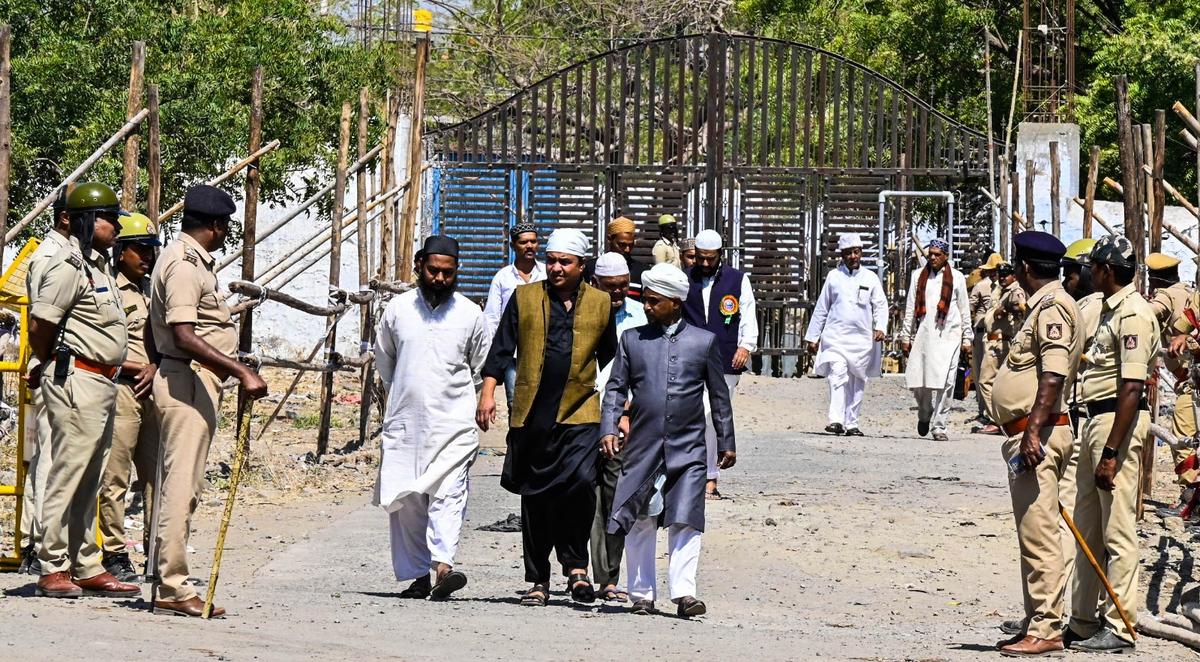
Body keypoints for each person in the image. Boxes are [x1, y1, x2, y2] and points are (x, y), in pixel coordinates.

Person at [476, 228, 617, 608]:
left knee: (582, 484)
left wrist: (619, 409)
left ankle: (575, 568)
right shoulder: (524, 298)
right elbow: (501, 348)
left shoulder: (602, 304)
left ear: (580, 265)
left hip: (582, 410)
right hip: (533, 412)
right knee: (536, 495)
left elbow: (611, 360)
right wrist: (488, 392)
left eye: (563, 262)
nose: (555, 268)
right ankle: (538, 578)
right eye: (551, 260)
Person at [145, 185, 268, 618]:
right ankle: (173, 588)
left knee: (186, 485)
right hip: (185, 383)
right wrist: (240, 371)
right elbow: (182, 333)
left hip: (190, 379)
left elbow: (153, 326)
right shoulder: (183, 266)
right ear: (216, 226)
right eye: (226, 226)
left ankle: (169, 581)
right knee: (180, 488)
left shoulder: (188, 260)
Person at [600, 263, 735, 618]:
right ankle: (641, 594)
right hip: (643, 447)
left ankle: (684, 594)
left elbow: (719, 397)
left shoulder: (703, 342)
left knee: (686, 517)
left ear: (675, 302)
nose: (646, 306)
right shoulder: (632, 340)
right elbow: (615, 389)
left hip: (689, 447)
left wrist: (726, 441)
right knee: (640, 516)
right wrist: (609, 428)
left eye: (654, 301)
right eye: (645, 300)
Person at [28, 182, 138, 599]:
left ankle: (85, 562)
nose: (114, 225)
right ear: (76, 220)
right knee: (67, 473)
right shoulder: (64, 263)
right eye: (107, 217)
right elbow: (42, 325)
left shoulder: (93, 262)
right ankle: (52, 565)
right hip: (76, 377)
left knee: (90, 475)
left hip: (102, 381)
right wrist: (48, 360)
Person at [374, 235, 488, 601]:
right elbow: (385, 361)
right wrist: (410, 390)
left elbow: (480, 364)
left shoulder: (471, 313)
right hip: (406, 422)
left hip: (453, 422)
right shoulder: (397, 309)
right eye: (434, 270)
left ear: (457, 273)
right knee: (407, 501)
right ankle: (417, 575)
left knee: (449, 494)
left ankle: (443, 566)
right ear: (420, 265)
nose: (440, 278)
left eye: (448, 273)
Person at [987, 232, 1081, 657]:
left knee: (1040, 535)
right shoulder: (1046, 305)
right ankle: (1036, 619)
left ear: (1025, 266)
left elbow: (1053, 375)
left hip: (1038, 434)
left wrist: (1031, 432)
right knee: (1034, 532)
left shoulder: (1053, 307)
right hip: (1034, 432)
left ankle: (1046, 628)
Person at [1067, 235, 1158, 653]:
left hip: (1115, 425)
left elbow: (1132, 387)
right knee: (1088, 525)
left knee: (1117, 531)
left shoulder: (1134, 314)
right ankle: (1084, 619)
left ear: (1106, 270)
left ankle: (1121, 625)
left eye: (1095, 268)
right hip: (1096, 420)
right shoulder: (1108, 309)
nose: (1090, 274)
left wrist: (1111, 453)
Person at [97, 212, 161, 582]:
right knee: (116, 477)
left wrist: (157, 367)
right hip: (122, 389)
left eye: (151, 249)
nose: (147, 256)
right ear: (121, 251)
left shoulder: (151, 289)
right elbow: (102, 345)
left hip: (153, 392)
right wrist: (140, 367)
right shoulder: (108, 290)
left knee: (156, 476)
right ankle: (115, 553)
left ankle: (156, 550)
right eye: (140, 249)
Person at [17, 187, 73, 576]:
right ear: (67, 218)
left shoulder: (73, 257)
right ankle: (40, 546)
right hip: (58, 368)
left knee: (54, 459)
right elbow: (42, 322)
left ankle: (45, 542)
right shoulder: (53, 257)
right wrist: (47, 359)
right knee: (50, 460)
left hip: (64, 369)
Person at [589, 252, 647, 602]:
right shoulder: (581, 314)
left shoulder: (640, 317)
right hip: (581, 416)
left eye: (624, 286)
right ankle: (578, 569)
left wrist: (628, 412)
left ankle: (608, 577)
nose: (619, 293)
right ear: (595, 283)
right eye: (611, 287)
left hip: (623, 418)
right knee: (584, 496)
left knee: (613, 495)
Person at [803, 233, 887, 436]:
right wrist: (813, 337)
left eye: (856, 252)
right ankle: (836, 420)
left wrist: (881, 327)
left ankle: (852, 423)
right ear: (842, 255)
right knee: (837, 374)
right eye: (848, 253)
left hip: (861, 340)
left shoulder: (870, 278)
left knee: (858, 380)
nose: (853, 256)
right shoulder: (834, 277)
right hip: (836, 337)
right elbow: (822, 308)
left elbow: (880, 305)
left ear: (861, 253)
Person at [899, 239, 970, 441]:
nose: (932, 257)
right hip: (925, 335)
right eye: (930, 253)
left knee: (947, 382)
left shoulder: (957, 278)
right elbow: (911, 309)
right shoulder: (917, 277)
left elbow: (964, 310)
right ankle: (924, 412)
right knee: (921, 383)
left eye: (937, 254)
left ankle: (939, 426)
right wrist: (906, 335)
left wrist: (967, 338)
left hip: (951, 336)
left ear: (946, 256)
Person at [1144, 253, 1198, 519]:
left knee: (1183, 436)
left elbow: (1147, 313)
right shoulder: (1188, 292)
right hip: (1190, 375)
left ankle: (1190, 496)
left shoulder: (1164, 296)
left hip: (1192, 378)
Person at [482, 223, 545, 413]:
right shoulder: (503, 278)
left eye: (533, 242)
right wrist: (492, 357)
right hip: (513, 353)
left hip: (543, 350)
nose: (529, 246)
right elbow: (492, 318)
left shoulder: (547, 274)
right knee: (515, 403)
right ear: (513, 246)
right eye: (524, 242)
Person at [976, 262, 1027, 436]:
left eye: (1007, 274)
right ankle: (1000, 418)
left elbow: (1021, 307)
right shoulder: (1000, 290)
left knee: (986, 381)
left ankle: (996, 420)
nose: (1003, 277)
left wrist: (1006, 309)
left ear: (1013, 275)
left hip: (1000, 342)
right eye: (1001, 274)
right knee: (995, 382)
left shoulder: (1014, 291)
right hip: (993, 340)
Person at [969, 252, 1002, 425]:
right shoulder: (984, 286)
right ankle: (986, 411)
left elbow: (970, 309)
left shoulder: (985, 286)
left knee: (983, 373)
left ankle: (988, 412)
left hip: (989, 333)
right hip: (984, 332)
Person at [582, 216, 649, 299]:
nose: (627, 250)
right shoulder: (591, 267)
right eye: (622, 245)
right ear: (609, 239)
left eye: (630, 245)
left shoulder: (643, 271)